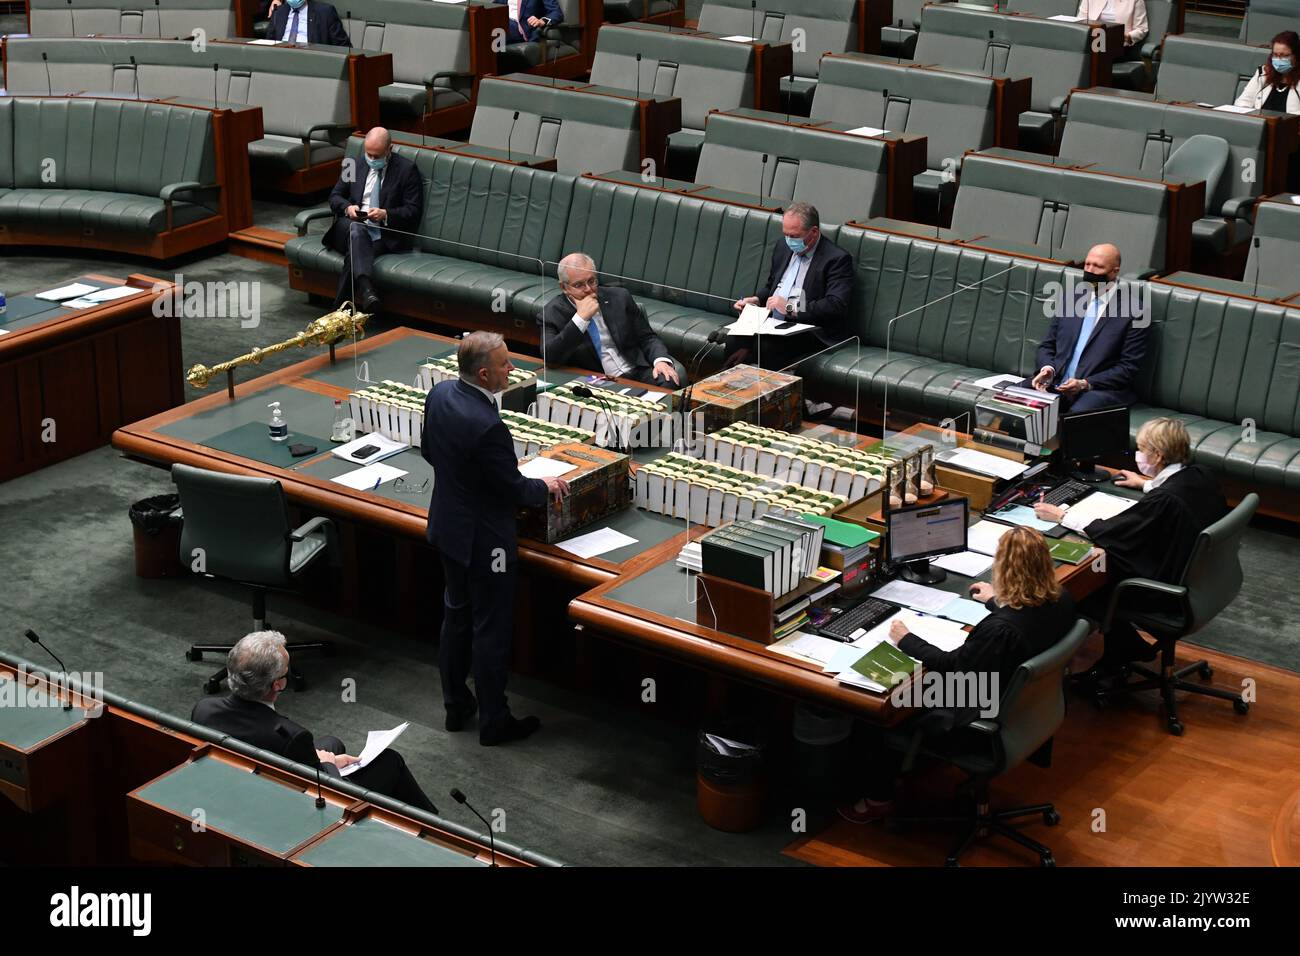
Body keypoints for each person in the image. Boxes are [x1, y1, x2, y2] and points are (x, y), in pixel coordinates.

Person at [839, 527, 1077, 823]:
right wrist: (995, 602)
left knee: (876, 702)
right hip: (1020, 701)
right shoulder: (1061, 598)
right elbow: (1027, 618)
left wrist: (907, 639)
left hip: (979, 701)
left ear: (1005, 570)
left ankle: (877, 797)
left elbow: (953, 666)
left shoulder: (1000, 631)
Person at [421, 331, 570, 746]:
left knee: (456, 618)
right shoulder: (487, 425)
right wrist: (547, 486)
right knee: (491, 629)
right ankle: (494, 720)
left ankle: (456, 706)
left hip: (448, 528)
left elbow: (429, 452)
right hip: (487, 544)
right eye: (506, 364)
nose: (513, 369)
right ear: (485, 374)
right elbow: (512, 488)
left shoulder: (440, 394)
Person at [1033, 417, 1228, 676]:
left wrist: (1061, 516)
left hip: (1162, 592)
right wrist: (1145, 483)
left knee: (1077, 587)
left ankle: (1110, 655)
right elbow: (1174, 493)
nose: (1137, 454)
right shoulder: (1201, 475)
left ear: (1158, 455)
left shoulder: (1163, 501)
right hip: (1203, 582)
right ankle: (1127, 646)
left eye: (1142, 448)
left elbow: (1111, 532)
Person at [192, 631, 440, 814]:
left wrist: (325, 759)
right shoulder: (291, 737)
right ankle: (436, 828)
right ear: (278, 684)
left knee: (332, 743)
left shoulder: (204, 710)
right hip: (283, 809)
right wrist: (329, 766)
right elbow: (333, 799)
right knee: (390, 761)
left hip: (236, 791)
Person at [727, 201, 855, 371]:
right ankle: (730, 392)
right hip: (773, 323)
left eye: (794, 236)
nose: (788, 241)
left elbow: (835, 306)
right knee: (733, 340)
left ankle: (769, 396)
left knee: (768, 346)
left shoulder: (836, 259)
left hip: (811, 329)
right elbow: (773, 286)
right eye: (785, 234)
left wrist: (789, 307)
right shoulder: (783, 246)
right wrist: (757, 300)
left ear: (814, 232)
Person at [1027, 242, 1148, 413]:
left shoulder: (1134, 311)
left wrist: (1085, 383)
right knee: (1011, 399)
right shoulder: (1071, 299)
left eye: (1098, 266)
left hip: (1098, 390)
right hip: (1057, 382)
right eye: (1087, 264)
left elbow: (1128, 368)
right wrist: (1048, 369)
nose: (1090, 270)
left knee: (1074, 418)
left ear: (1114, 271)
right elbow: (1047, 345)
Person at [541, 253, 683, 387]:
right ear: (564, 287)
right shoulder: (552, 313)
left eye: (592, 281)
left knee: (669, 381)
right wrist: (581, 319)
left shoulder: (619, 297)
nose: (589, 289)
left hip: (637, 371)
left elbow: (647, 337)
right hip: (597, 381)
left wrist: (660, 361)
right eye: (579, 285)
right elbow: (550, 358)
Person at [322, 127, 423, 313]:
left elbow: (413, 210)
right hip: (347, 228)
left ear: (389, 150)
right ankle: (367, 290)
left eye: (377, 156)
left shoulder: (407, 170)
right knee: (356, 228)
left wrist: (386, 214)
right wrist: (347, 207)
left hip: (381, 235)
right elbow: (335, 196)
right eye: (369, 154)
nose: (372, 160)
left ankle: (339, 312)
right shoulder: (352, 164)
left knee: (355, 253)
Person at [1235, 31, 1300, 115]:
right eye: (1275, 55)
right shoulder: (1263, 73)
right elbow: (1243, 101)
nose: (1279, 59)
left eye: (1285, 55)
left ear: (1297, 56)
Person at [1076, 0, 1147, 58]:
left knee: (1091, 55)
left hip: (1120, 46)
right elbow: (1080, 22)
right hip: (1092, 41)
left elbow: (1141, 29)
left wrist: (1127, 37)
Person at [266, 0, 351, 45]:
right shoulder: (278, 11)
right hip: (281, 60)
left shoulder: (325, 12)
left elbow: (344, 47)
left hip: (311, 62)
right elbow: (268, 44)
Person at [496, 0, 563, 44]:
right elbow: (495, 5)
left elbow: (556, 12)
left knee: (494, 31)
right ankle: (493, 63)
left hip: (521, 27)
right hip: (503, 21)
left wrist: (542, 21)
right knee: (488, 27)